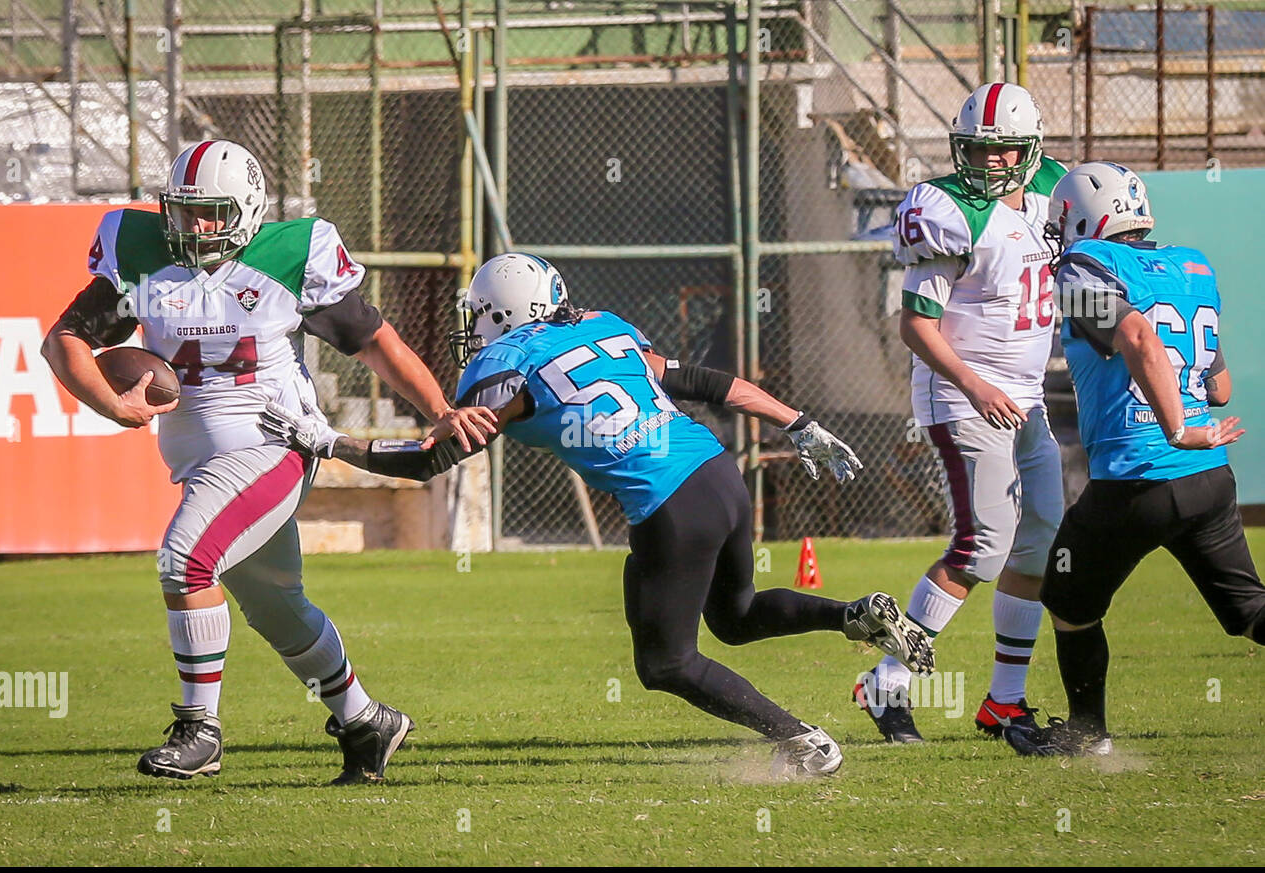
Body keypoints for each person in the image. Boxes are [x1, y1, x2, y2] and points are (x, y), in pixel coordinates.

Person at [261, 253, 936, 777]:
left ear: (498, 314)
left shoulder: (503, 365)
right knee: (734, 616)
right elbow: (703, 381)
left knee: (665, 663)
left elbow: (430, 461)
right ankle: (854, 616)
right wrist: (798, 421)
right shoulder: (606, 328)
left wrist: (330, 442)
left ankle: (803, 742)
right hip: (719, 474)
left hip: (669, 505)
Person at [42, 140, 495, 784]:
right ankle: (368, 722)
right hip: (201, 464)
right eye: (184, 211)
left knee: (185, 560)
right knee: (279, 609)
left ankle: (200, 730)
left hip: (272, 444)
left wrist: (439, 409)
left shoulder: (289, 255)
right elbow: (64, 340)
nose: (193, 228)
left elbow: (373, 341)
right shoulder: (141, 253)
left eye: (212, 214)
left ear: (248, 211)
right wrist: (110, 404)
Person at [1004, 162, 1265, 757]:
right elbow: (1219, 389)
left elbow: (1142, 339)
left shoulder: (1080, 268)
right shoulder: (1190, 266)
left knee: (1068, 602)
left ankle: (1087, 736)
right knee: (1249, 611)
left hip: (1136, 480)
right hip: (1209, 480)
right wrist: (1190, 420)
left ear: (1081, 218)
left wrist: (1175, 428)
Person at [860, 82, 1069, 743]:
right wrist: (976, 385)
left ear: (1031, 151)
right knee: (983, 546)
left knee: (1039, 537)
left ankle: (1005, 700)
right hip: (963, 393)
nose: (990, 164)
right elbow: (916, 326)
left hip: (1025, 397)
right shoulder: (947, 209)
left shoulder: (1055, 193)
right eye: (978, 150)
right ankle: (887, 683)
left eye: (1005, 152)